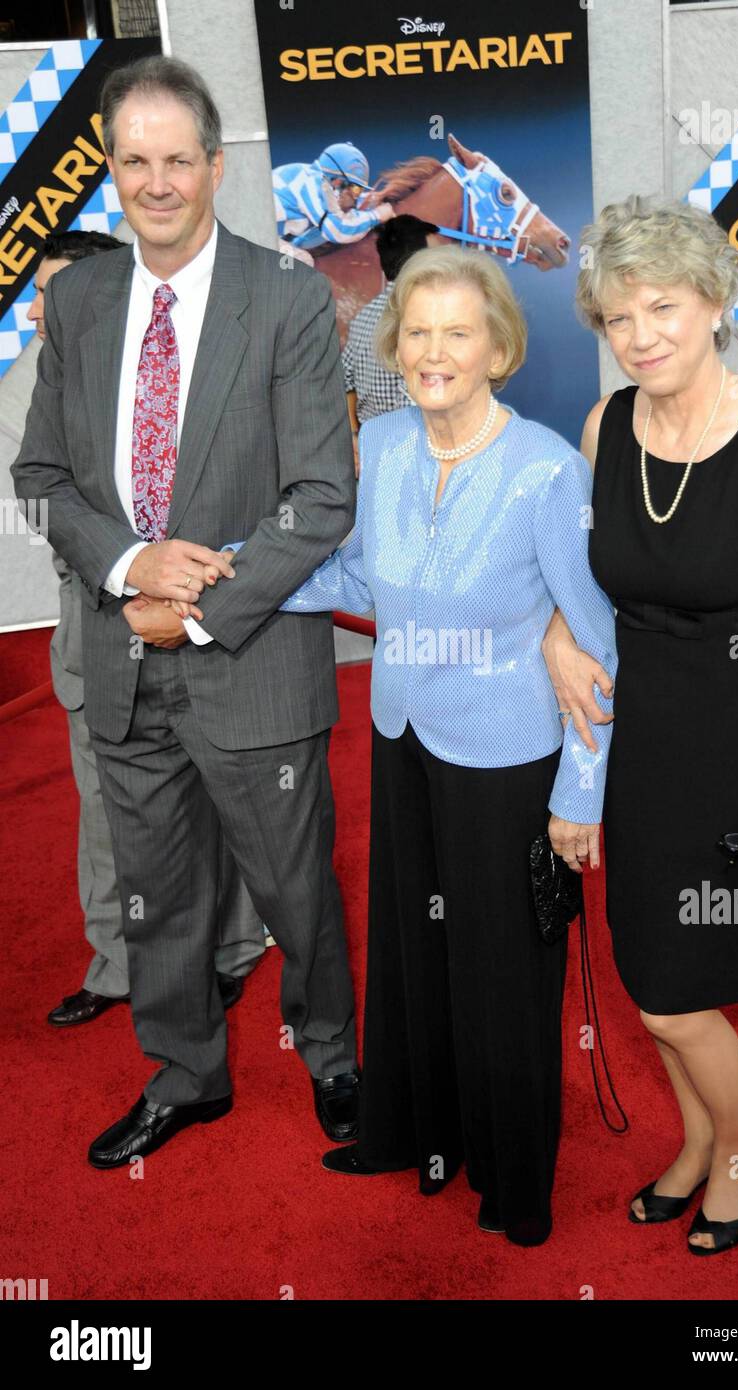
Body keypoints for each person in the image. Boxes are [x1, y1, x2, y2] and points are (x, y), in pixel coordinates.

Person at [196, 245, 617, 1246]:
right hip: (405, 739)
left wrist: (580, 796)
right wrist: (232, 575)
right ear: (394, 346)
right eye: (417, 333)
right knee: (416, 953)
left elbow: (595, 645)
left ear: (498, 348)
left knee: (504, 977)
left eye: (457, 334)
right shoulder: (379, 444)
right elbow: (351, 583)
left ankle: (512, 1184)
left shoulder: (548, 470)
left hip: (511, 759)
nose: (434, 352)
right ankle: (418, 1134)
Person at [13, 55, 360, 1167]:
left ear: (215, 167)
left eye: (177, 160)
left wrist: (195, 610)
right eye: (133, 161)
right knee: (154, 897)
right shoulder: (77, 298)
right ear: (109, 171)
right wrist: (130, 570)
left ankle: (335, 1055)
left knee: (293, 886)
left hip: (250, 656)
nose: (155, 182)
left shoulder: (291, 294)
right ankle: (185, 1073)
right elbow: (43, 477)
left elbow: (322, 498)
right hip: (121, 655)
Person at [542, 194, 738, 1254]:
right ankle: (690, 1140)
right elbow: (585, 589)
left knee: (676, 993)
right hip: (640, 747)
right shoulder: (604, 425)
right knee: (647, 967)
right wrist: (553, 637)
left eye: (662, 308)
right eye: (618, 320)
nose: (641, 337)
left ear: (715, 303)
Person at [28, 232, 266, 1028]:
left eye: (56, 291)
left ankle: (233, 950)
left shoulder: (164, 366)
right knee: (104, 812)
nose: (41, 308)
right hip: (89, 637)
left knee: (213, 799)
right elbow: (37, 497)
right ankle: (117, 962)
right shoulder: (54, 382)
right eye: (38, 294)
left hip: (187, 622)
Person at [342, 213, 439, 472]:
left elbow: (344, 382)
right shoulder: (431, 315)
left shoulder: (362, 319)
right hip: (425, 457)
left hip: (374, 454)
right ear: (421, 258)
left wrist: (353, 435)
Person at [273, 142, 394, 263]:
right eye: (356, 189)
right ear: (337, 182)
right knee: (302, 262)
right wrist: (377, 215)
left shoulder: (317, 181)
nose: (355, 198)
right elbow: (337, 230)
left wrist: (372, 202)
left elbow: (302, 241)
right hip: (258, 234)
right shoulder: (316, 186)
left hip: (265, 234)